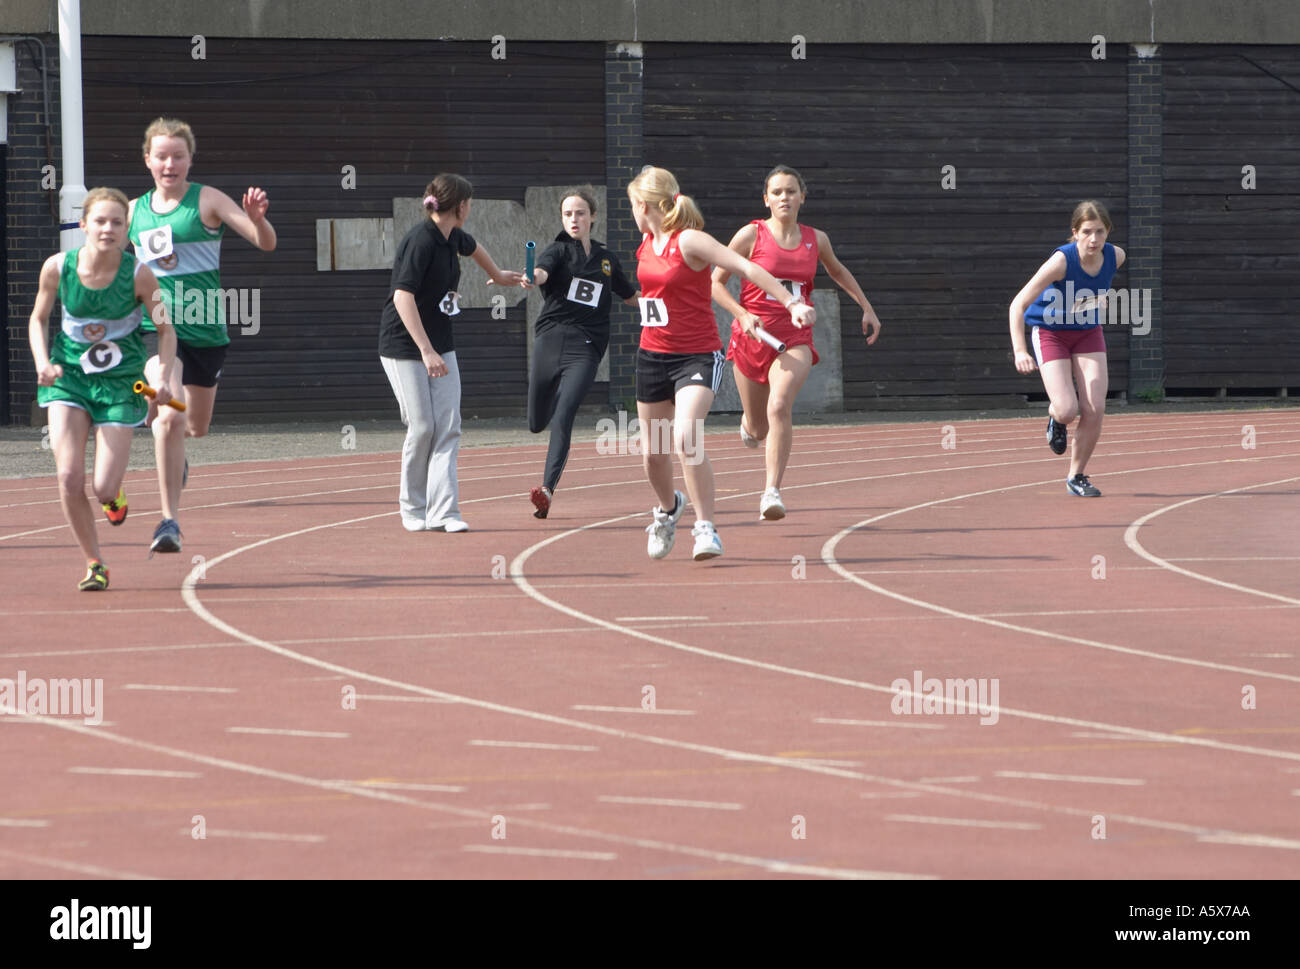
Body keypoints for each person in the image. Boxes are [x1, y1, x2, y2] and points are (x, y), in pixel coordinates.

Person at [627, 166, 816, 561]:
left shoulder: (690, 241)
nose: (633, 212)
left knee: (685, 436)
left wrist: (790, 302)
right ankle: (667, 509)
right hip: (652, 356)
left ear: (642, 205)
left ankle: (705, 528)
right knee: (654, 453)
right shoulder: (645, 243)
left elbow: (746, 268)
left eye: (632, 205)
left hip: (696, 356)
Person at [128, 116, 277, 554]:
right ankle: (168, 522)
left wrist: (257, 219)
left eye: (177, 156)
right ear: (148, 161)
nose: (169, 163)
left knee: (195, 425)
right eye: (161, 156)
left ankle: (173, 444)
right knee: (169, 416)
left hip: (206, 330)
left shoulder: (207, 200)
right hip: (157, 329)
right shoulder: (134, 212)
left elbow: (264, 243)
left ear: (190, 160)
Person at [711, 164, 882, 520]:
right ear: (766, 200)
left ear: (802, 196)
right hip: (752, 335)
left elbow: (837, 270)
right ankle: (748, 424)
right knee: (758, 427)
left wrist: (866, 307)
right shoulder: (749, 235)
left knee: (779, 406)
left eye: (791, 191)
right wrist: (741, 314)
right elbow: (714, 283)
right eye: (777, 192)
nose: (784, 197)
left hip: (794, 337)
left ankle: (771, 491)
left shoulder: (815, 239)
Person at [29, 187, 176, 590]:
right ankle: (95, 562)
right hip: (70, 381)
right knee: (68, 475)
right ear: (83, 225)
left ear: (127, 230)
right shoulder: (57, 268)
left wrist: (161, 375)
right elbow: (38, 319)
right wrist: (43, 363)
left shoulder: (140, 275)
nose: (108, 228)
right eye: (100, 221)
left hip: (119, 384)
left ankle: (114, 496)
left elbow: (165, 329)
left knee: (102, 485)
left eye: (116, 222)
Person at [378, 173, 525, 532]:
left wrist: (498, 274)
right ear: (460, 206)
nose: (471, 209)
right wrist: (426, 351)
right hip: (405, 346)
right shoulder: (421, 241)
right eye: (470, 203)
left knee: (448, 426)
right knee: (423, 426)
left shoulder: (451, 236)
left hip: (442, 343)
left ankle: (443, 512)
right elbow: (402, 297)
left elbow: (473, 247)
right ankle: (413, 508)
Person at [525, 187, 638, 519]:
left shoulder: (606, 259)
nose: (574, 219)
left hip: (586, 347)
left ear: (593, 217)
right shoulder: (557, 250)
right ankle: (552, 396)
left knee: (565, 414)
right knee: (535, 423)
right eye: (568, 214)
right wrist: (532, 277)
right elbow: (541, 271)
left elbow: (630, 296)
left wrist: (667, 299)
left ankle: (546, 490)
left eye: (580, 213)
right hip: (550, 341)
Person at [1009, 199, 1125, 497]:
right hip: (1051, 334)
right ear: (1075, 233)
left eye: (1100, 232)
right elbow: (1017, 305)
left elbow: (1096, 285)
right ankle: (1055, 416)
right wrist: (1020, 351)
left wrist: (1099, 299)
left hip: (1087, 333)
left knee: (1095, 407)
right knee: (1067, 409)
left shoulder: (1116, 256)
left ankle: (1077, 475)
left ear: (1108, 231)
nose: (1094, 239)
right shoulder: (1061, 261)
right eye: (1087, 232)